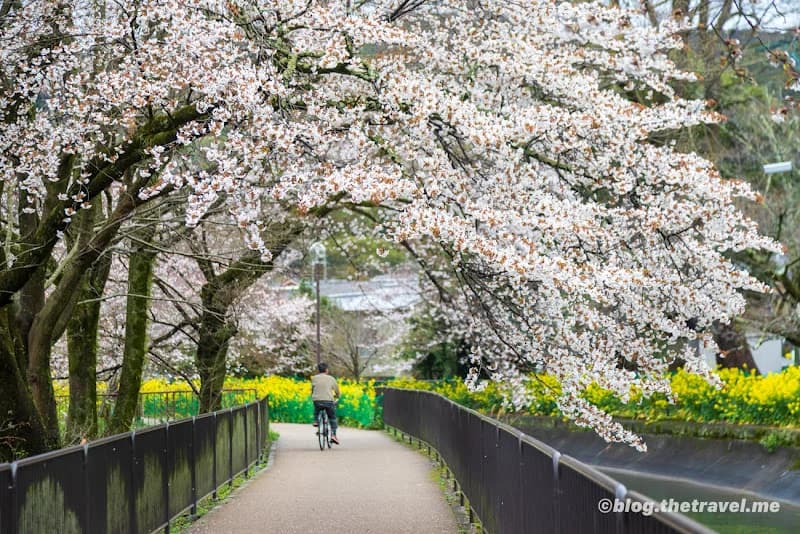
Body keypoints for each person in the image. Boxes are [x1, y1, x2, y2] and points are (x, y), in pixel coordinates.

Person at [311, 362, 340, 444]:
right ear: (326, 370)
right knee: (332, 418)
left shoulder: (314, 378)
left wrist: (313, 396)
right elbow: (337, 390)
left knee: (317, 410)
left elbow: (313, 389)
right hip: (329, 401)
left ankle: (316, 421)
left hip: (317, 400)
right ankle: (333, 435)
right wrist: (337, 396)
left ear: (319, 370)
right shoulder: (331, 378)